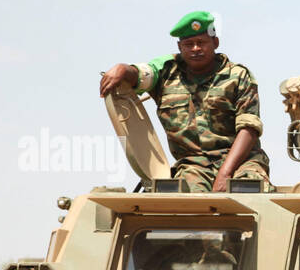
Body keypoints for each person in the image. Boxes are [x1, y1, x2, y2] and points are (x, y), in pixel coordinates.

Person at [98, 11, 269, 192]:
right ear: (180, 47)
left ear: (215, 43)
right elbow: (139, 76)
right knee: (182, 202)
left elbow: (249, 128)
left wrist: (225, 173)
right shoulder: (167, 73)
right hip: (193, 166)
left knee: (248, 190)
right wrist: (123, 69)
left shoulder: (238, 76)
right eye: (189, 44)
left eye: (201, 42)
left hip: (242, 161)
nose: (195, 48)